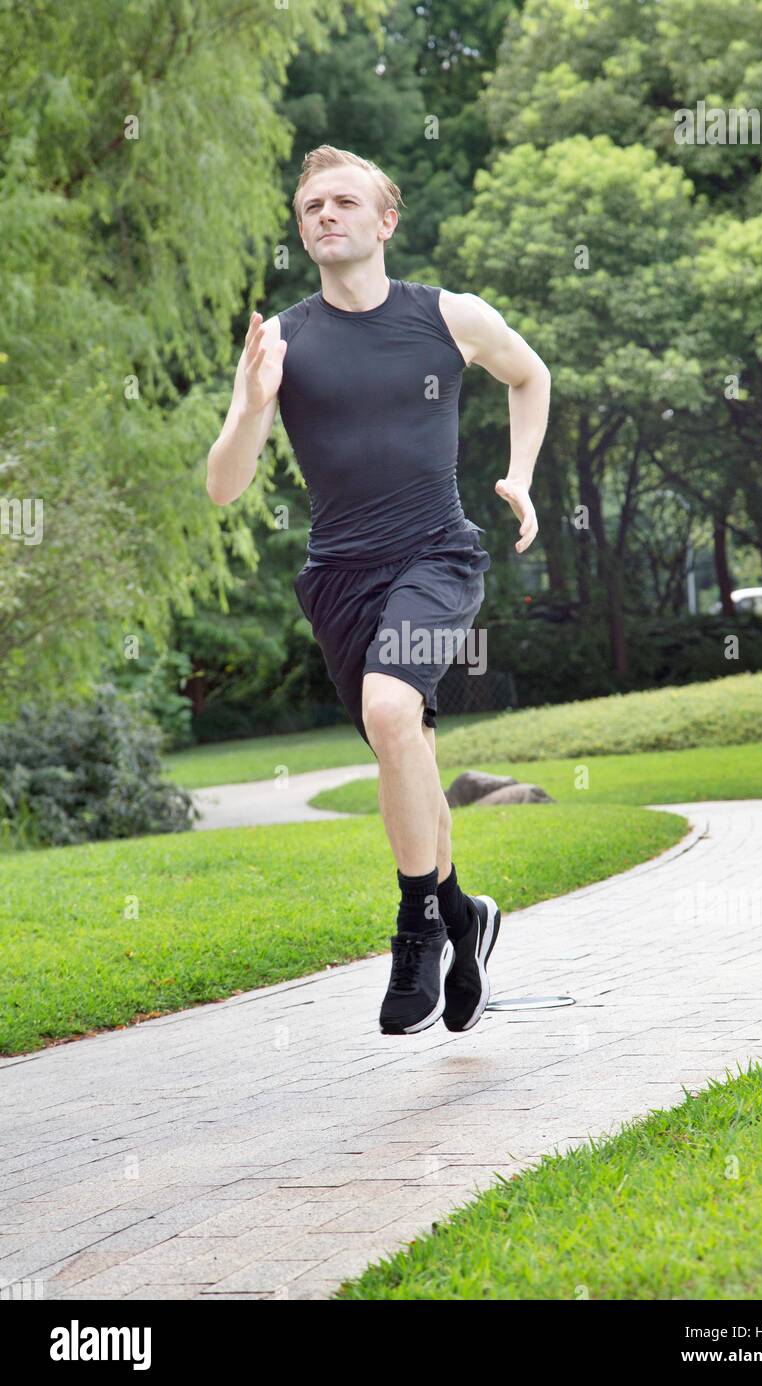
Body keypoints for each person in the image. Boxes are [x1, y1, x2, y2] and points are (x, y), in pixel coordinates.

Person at [206, 145, 550, 1036]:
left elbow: (530, 375)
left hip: (437, 557)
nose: (324, 214)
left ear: (385, 221)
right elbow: (224, 487)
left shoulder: (449, 316)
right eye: (310, 206)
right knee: (409, 755)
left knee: (392, 711)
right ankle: (465, 916)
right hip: (338, 579)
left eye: (344, 201)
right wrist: (252, 402)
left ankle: (417, 926)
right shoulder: (282, 342)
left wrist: (520, 477)